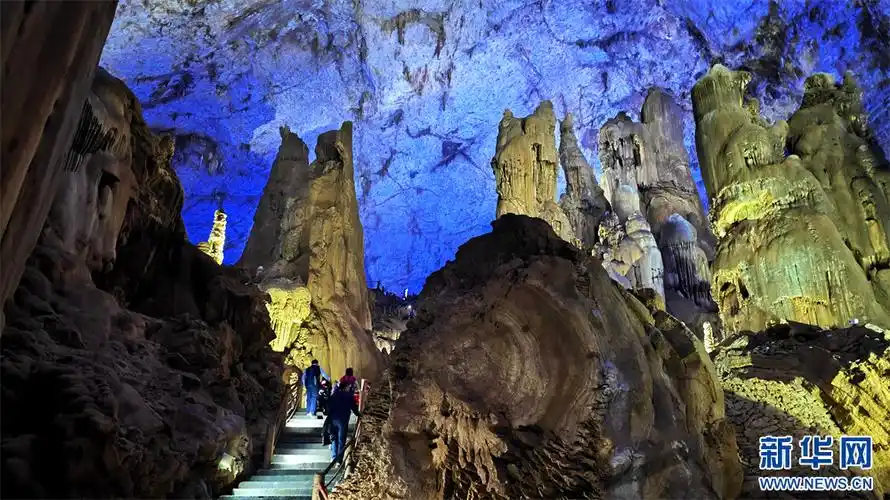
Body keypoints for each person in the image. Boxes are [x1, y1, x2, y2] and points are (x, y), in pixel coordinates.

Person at [324, 383, 361, 464]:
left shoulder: (334, 395)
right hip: (343, 420)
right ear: (346, 387)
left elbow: (328, 406)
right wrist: (359, 415)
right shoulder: (349, 396)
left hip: (333, 419)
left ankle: (334, 457)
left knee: (334, 438)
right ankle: (339, 460)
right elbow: (354, 407)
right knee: (341, 439)